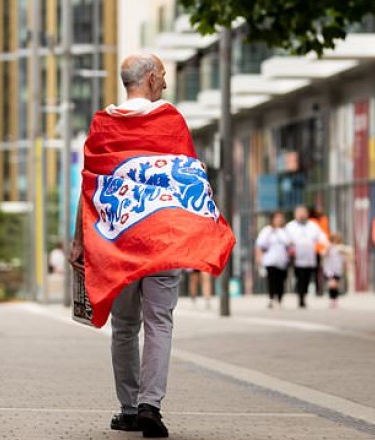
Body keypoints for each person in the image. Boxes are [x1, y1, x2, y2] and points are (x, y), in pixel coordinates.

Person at [69, 53, 230, 438]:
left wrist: (79, 239)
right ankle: (149, 406)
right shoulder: (169, 119)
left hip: (116, 242)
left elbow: (91, 186)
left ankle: (127, 409)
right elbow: (188, 179)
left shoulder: (103, 124)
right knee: (160, 321)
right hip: (161, 239)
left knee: (125, 325)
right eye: (163, 76)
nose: (167, 85)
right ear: (152, 78)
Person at [285, 205, 329, 308]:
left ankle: (303, 295)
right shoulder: (290, 226)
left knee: (306, 278)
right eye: (299, 212)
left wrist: (326, 247)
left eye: (303, 212)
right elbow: (285, 239)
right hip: (296, 258)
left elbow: (322, 237)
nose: (301, 215)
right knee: (299, 277)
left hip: (309, 257)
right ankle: (300, 296)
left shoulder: (313, 226)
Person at [256, 211, 292, 309]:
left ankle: (280, 299)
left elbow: (290, 245)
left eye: (281, 218)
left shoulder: (286, 231)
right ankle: (271, 298)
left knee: (281, 281)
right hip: (270, 260)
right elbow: (259, 245)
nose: (279, 220)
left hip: (283, 260)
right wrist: (259, 258)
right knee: (272, 280)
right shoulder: (267, 231)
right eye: (277, 218)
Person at [323, 233, 352, 308]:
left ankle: (335, 299)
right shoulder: (329, 247)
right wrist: (327, 250)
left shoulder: (341, 248)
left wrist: (347, 265)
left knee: (335, 286)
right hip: (330, 269)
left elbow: (346, 258)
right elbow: (324, 254)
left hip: (338, 270)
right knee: (332, 284)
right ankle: (332, 299)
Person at [308, 206, 330, 296]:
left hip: (324, 248)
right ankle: (317, 288)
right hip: (313, 250)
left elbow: (327, 232)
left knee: (325, 270)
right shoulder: (310, 221)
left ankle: (325, 288)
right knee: (315, 270)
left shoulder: (324, 219)